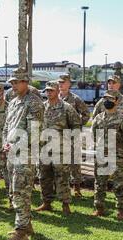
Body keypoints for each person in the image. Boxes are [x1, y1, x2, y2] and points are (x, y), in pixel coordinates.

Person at [2, 68, 44, 240]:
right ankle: (26, 225)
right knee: (14, 190)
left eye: (16, 82)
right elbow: (7, 125)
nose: (13, 85)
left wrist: (15, 144)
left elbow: (34, 130)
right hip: (12, 152)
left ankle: (21, 232)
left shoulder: (34, 102)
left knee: (21, 191)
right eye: (11, 82)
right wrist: (6, 142)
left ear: (25, 82)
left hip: (25, 153)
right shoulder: (13, 101)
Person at [35, 81, 81, 215]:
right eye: (47, 91)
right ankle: (46, 202)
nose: (49, 93)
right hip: (44, 150)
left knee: (62, 177)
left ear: (57, 91)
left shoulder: (66, 108)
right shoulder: (42, 108)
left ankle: (65, 204)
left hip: (60, 150)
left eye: (51, 91)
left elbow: (76, 126)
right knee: (44, 177)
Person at [91, 91, 123, 221]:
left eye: (110, 99)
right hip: (102, 155)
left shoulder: (122, 119)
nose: (107, 101)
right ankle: (99, 208)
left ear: (116, 101)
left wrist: (119, 146)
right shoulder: (98, 118)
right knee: (99, 183)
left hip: (118, 156)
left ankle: (120, 210)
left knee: (119, 184)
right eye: (105, 98)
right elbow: (93, 135)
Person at [93, 75, 123, 201]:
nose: (111, 85)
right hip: (104, 144)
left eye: (114, 83)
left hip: (120, 144)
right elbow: (95, 120)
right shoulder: (101, 102)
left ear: (119, 85)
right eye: (109, 83)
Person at [58, 74, 90, 198]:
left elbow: (86, 114)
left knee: (74, 163)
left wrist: (77, 125)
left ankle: (77, 188)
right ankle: (61, 187)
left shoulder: (75, 99)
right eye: (59, 82)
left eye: (63, 82)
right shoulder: (56, 98)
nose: (61, 84)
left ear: (69, 84)